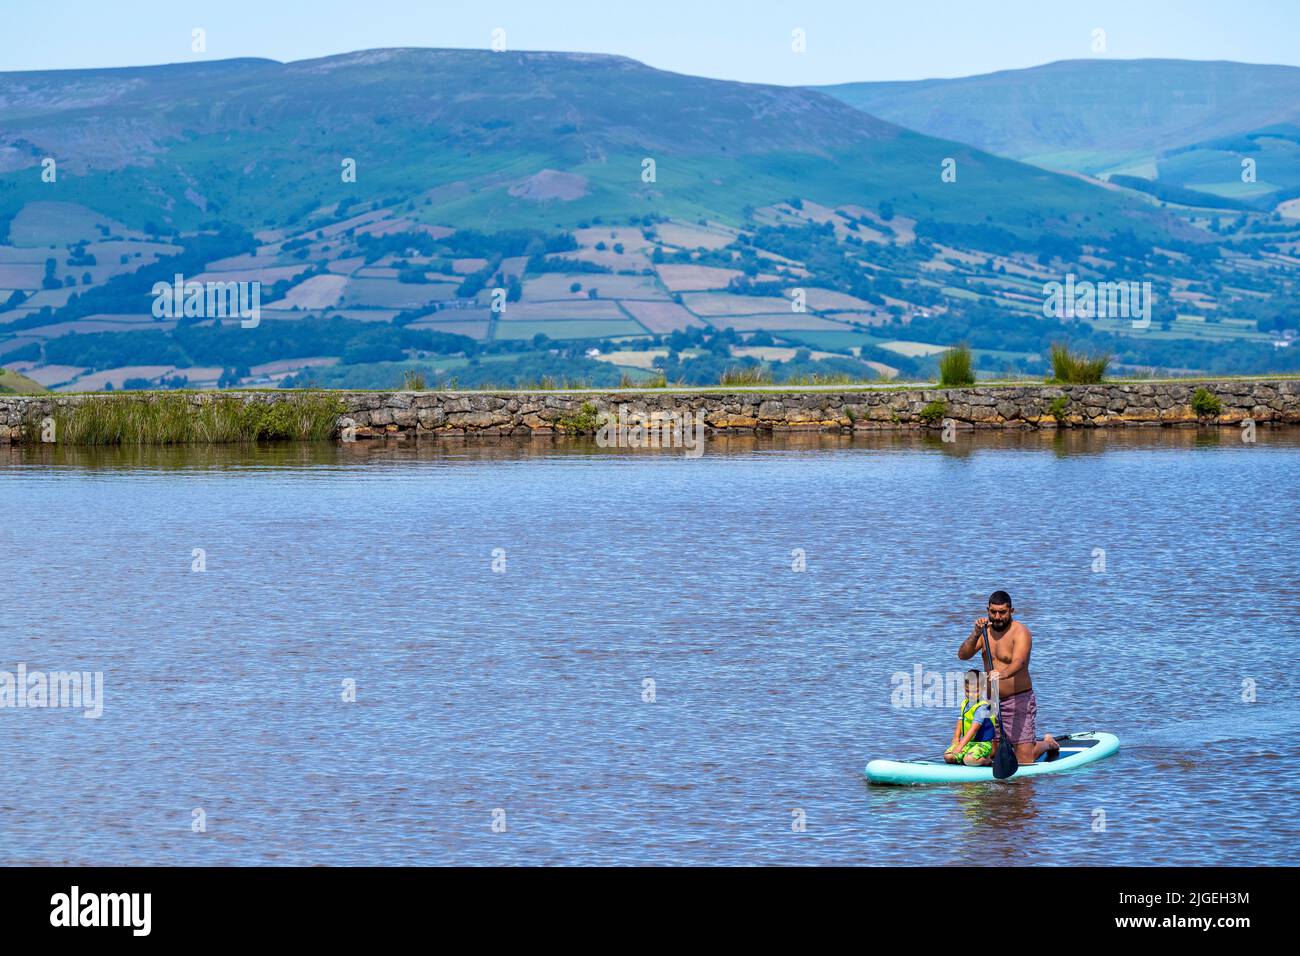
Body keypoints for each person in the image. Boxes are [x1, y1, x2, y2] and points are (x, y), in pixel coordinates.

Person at [956, 590, 1059, 764]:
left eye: (1002, 612)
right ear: (987, 610)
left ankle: (1047, 743)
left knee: (1024, 760)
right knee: (992, 753)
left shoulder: (1020, 632)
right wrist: (975, 633)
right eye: (993, 612)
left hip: (1018, 700)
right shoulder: (984, 632)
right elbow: (963, 655)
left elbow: (1019, 662)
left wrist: (1001, 674)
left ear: (1011, 611)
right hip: (991, 702)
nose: (997, 616)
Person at [944, 670, 997, 766]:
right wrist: (956, 738)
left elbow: (974, 729)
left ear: (983, 688)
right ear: (964, 688)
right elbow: (960, 721)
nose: (971, 695)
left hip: (982, 744)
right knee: (948, 756)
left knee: (969, 760)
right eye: (968, 691)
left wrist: (960, 746)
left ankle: (987, 760)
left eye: (975, 691)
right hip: (968, 743)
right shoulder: (965, 703)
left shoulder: (982, 707)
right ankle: (965, 759)